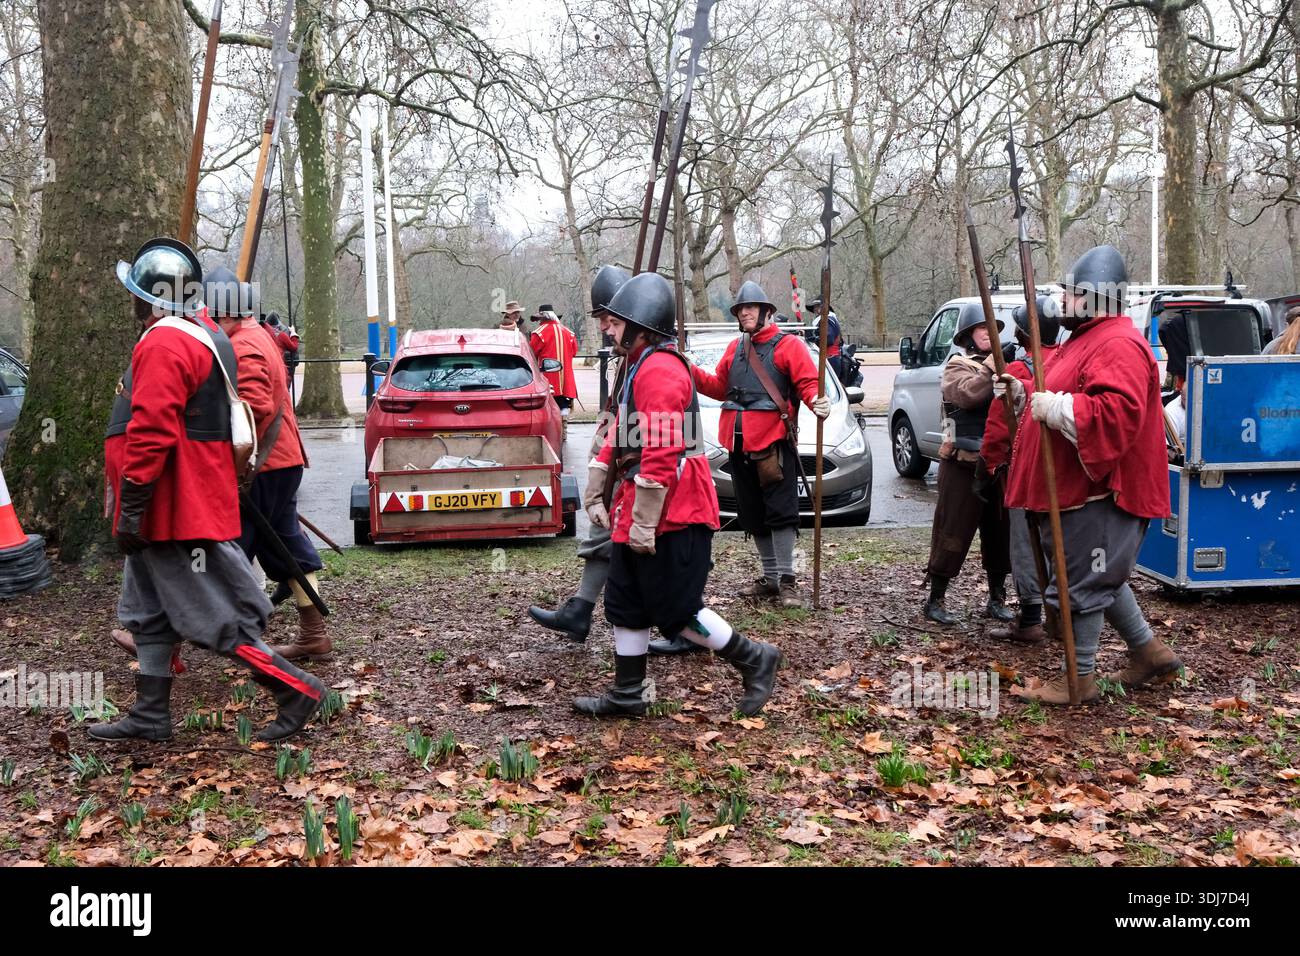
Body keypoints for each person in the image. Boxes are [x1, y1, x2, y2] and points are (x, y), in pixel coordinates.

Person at [92, 237, 325, 743]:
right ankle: (151, 713)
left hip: (169, 504)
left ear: (152, 299)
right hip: (172, 500)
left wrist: (133, 504)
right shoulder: (201, 333)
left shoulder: (165, 341)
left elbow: (152, 428)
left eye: (135, 292)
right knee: (148, 611)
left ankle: (294, 689)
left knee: (212, 615)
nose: (131, 300)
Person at [574, 273, 782, 718]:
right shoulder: (639, 365)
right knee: (626, 601)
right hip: (642, 506)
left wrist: (645, 522)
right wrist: (598, 484)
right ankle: (628, 692)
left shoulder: (663, 370)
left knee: (675, 610)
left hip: (675, 512)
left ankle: (754, 658)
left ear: (642, 326)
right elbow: (626, 432)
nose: (607, 329)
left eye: (616, 323)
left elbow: (664, 449)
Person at [1000, 245, 1181, 704]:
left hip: (1099, 492)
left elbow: (1115, 414)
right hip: (1079, 489)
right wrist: (1023, 391)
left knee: (1082, 582)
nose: (1063, 300)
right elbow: (1062, 386)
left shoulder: (1117, 342)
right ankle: (1150, 653)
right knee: (1102, 577)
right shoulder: (1086, 338)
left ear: (1097, 297)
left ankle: (1078, 680)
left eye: (1072, 293)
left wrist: (1057, 406)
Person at [667, 279, 828, 634]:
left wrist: (818, 398)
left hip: (772, 443)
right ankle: (770, 578)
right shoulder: (735, 348)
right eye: (741, 309)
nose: (745, 313)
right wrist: (688, 369)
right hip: (737, 444)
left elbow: (807, 383)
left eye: (751, 308)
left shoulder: (789, 346)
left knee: (781, 513)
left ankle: (787, 580)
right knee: (753, 514)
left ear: (767, 311)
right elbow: (717, 387)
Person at [527, 266, 630, 641]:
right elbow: (618, 411)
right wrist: (600, 450)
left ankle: (699, 631)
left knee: (663, 563)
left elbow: (674, 432)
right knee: (603, 534)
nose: (605, 328)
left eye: (610, 320)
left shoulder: (654, 364)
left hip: (652, 476)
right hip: (627, 466)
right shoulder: (624, 358)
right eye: (602, 320)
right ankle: (581, 610)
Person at [921, 308, 1013, 626]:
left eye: (992, 328)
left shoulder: (1005, 369)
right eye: (980, 328)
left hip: (997, 465)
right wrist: (992, 368)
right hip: (962, 463)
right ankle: (936, 598)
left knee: (1001, 532)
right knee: (953, 530)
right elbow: (968, 395)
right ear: (967, 335)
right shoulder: (957, 366)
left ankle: (997, 598)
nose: (989, 332)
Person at [980, 295, 1061, 643]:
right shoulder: (1070, 363)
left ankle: (1030, 619)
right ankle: (1061, 616)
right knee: (1059, 546)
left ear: (1025, 335)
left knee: (1026, 544)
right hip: (1064, 477)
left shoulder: (1016, 373)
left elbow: (998, 429)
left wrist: (991, 466)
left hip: (1025, 472)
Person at [530, 304, 579, 419]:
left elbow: (531, 355)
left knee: (549, 412)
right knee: (563, 408)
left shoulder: (538, 333)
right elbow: (574, 352)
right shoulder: (570, 333)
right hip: (566, 381)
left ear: (542, 318)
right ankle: (564, 428)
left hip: (548, 380)